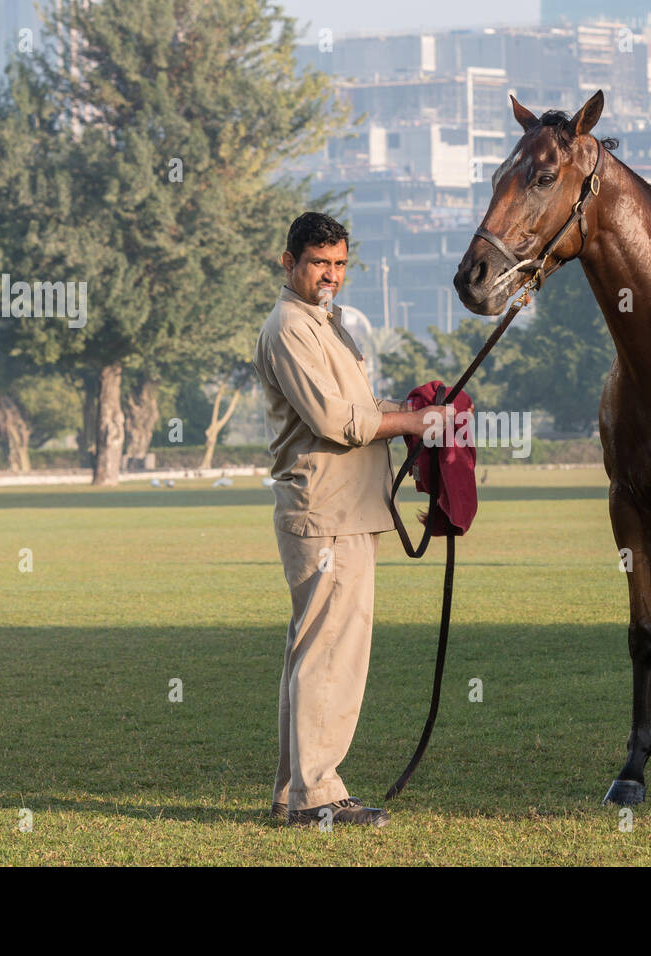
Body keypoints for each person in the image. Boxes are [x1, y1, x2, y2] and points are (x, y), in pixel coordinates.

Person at [253, 212, 452, 828]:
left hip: (344, 511)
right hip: (326, 514)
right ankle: (319, 796)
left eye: (339, 264)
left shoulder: (327, 325)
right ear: (289, 263)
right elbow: (336, 421)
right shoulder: (290, 327)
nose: (331, 275)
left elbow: (361, 410)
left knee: (313, 653)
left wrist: (408, 410)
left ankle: (296, 794)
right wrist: (411, 424)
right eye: (319, 263)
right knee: (329, 655)